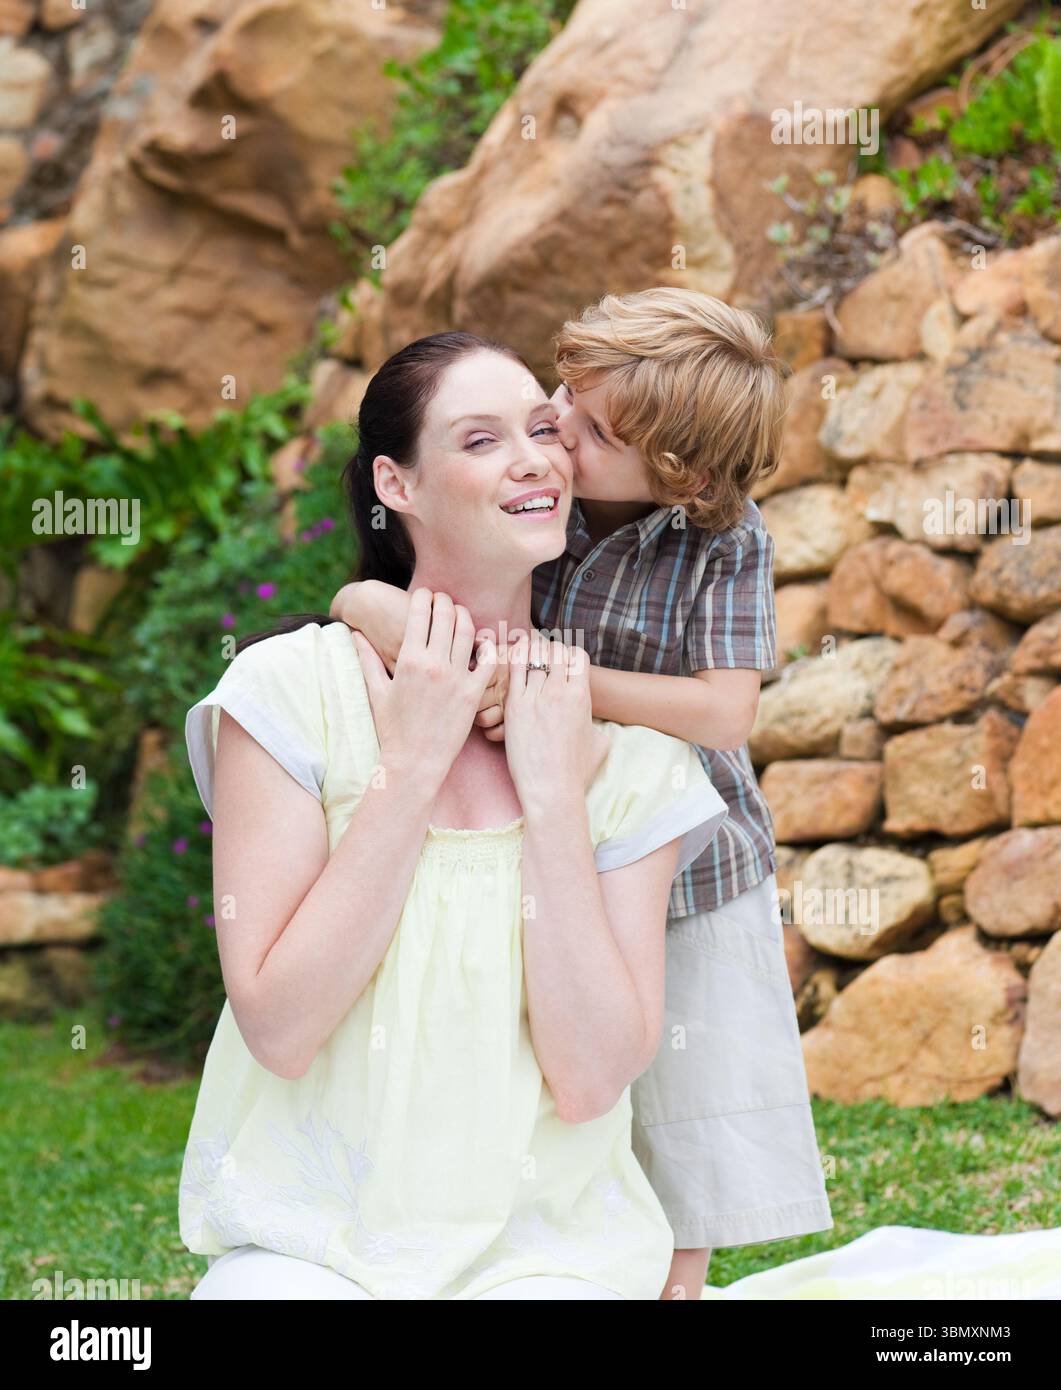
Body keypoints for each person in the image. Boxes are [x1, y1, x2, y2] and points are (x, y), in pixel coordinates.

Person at [179, 331, 728, 1300]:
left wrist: (552, 799)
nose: (532, 459)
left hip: (549, 1257)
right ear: (395, 483)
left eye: (542, 430)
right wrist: (412, 762)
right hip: (311, 1247)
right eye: (479, 440)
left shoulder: (634, 759)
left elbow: (590, 1078)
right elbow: (281, 1027)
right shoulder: (288, 692)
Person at [331, 288, 835, 1300]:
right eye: (564, 393)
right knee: (563, 1064)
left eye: (593, 430)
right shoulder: (539, 504)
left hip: (692, 863)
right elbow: (387, 590)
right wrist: (366, 606)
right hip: (558, 839)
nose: (558, 426)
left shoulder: (724, 539)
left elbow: (723, 712)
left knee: (689, 1096)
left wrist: (557, 678)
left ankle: (676, 1282)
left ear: (683, 475)